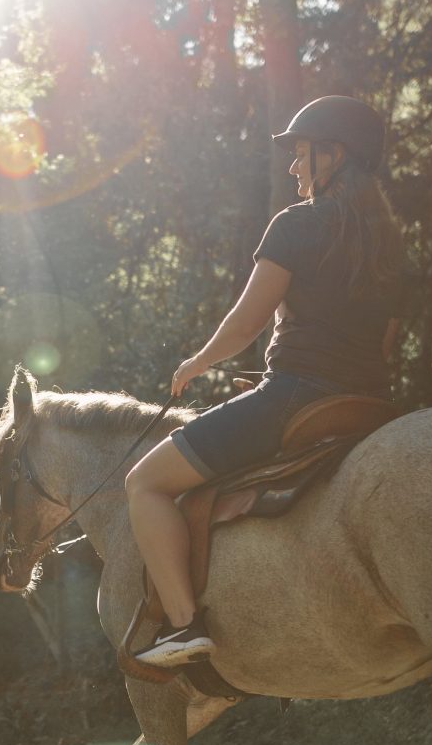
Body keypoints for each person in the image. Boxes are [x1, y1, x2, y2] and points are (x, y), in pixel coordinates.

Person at [126, 95, 407, 667]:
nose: (294, 167)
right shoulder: (391, 243)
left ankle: (185, 625)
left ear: (335, 155)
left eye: (303, 153)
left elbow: (246, 323)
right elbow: (386, 342)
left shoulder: (296, 226)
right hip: (368, 403)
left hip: (296, 398)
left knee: (145, 483)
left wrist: (197, 363)